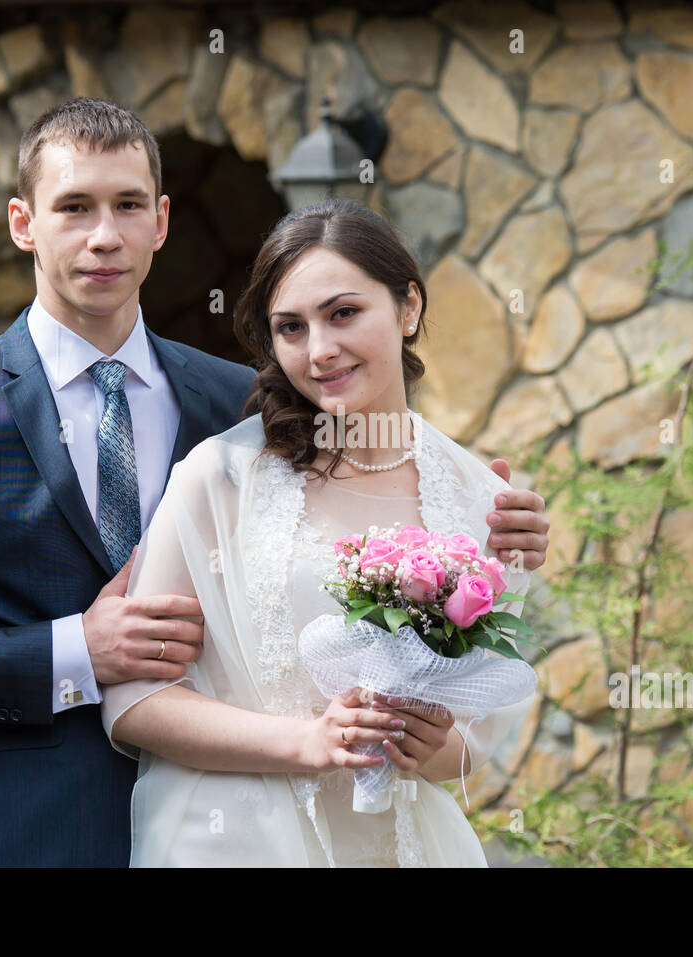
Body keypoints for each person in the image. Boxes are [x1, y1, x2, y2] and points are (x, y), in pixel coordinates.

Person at [0, 98, 550, 866]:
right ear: (21, 223)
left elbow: (364, 459)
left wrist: (477, 517)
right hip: (36, 832)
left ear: (161, 221)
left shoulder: (243, 402)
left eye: (128, 205)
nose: (105, 234)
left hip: (260, 831)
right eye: (74, 206)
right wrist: (76, 650)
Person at [101, 199, 540, 866]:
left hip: (402, 845)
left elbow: (468, 744)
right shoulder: (219, 478)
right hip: (237, 843)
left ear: (408, 307)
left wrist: (429, 746)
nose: (321, 349)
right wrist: (308, 741)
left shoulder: (478, 494)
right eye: (291, 327)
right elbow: (135, 702)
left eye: (343, 313)